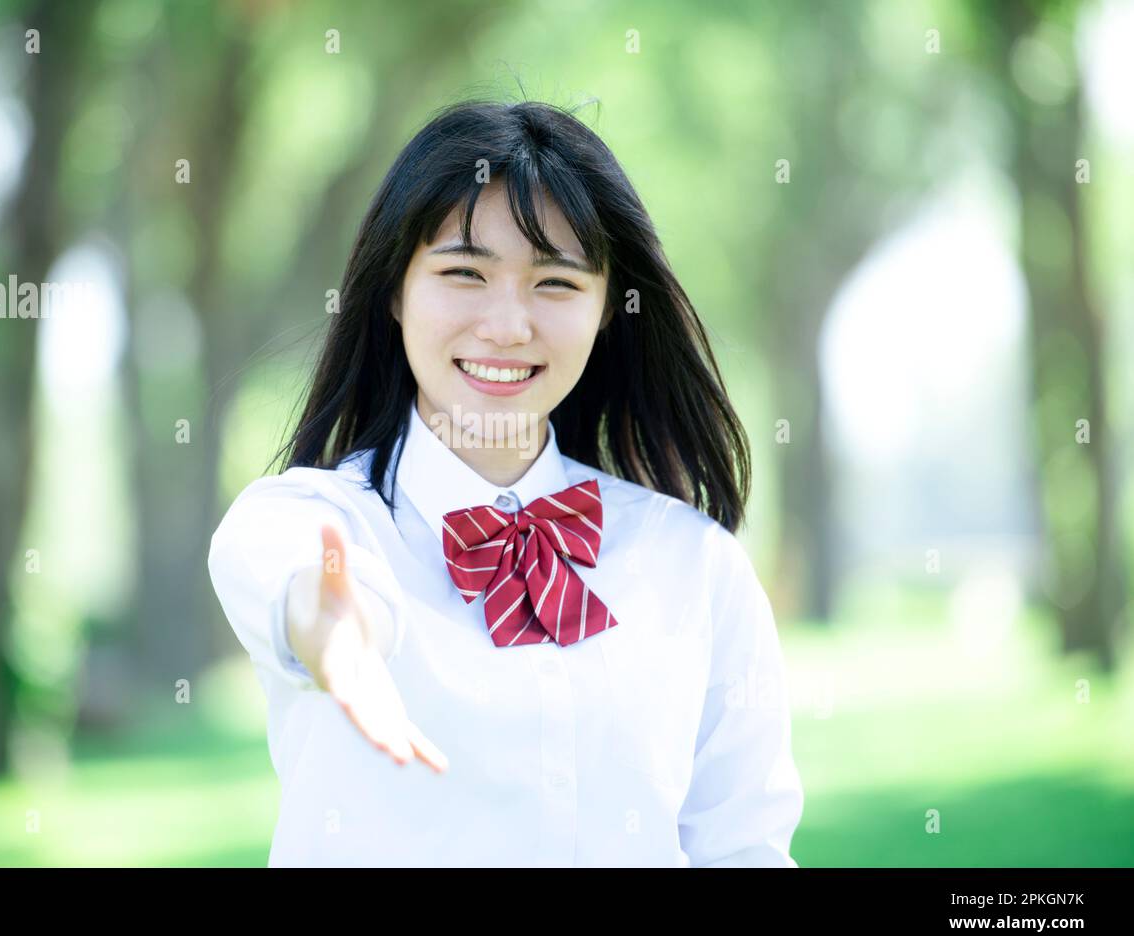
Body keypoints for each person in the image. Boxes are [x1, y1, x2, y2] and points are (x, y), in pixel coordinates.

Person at [208, 99, 804, 866]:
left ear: (606, 308)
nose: (507, 325)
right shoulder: (305, 520)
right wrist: (338, 626)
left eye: (554, 283)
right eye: (463, 273)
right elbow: (297, 579)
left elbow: (743, 846)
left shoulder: (693, 563)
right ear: (395, 289)